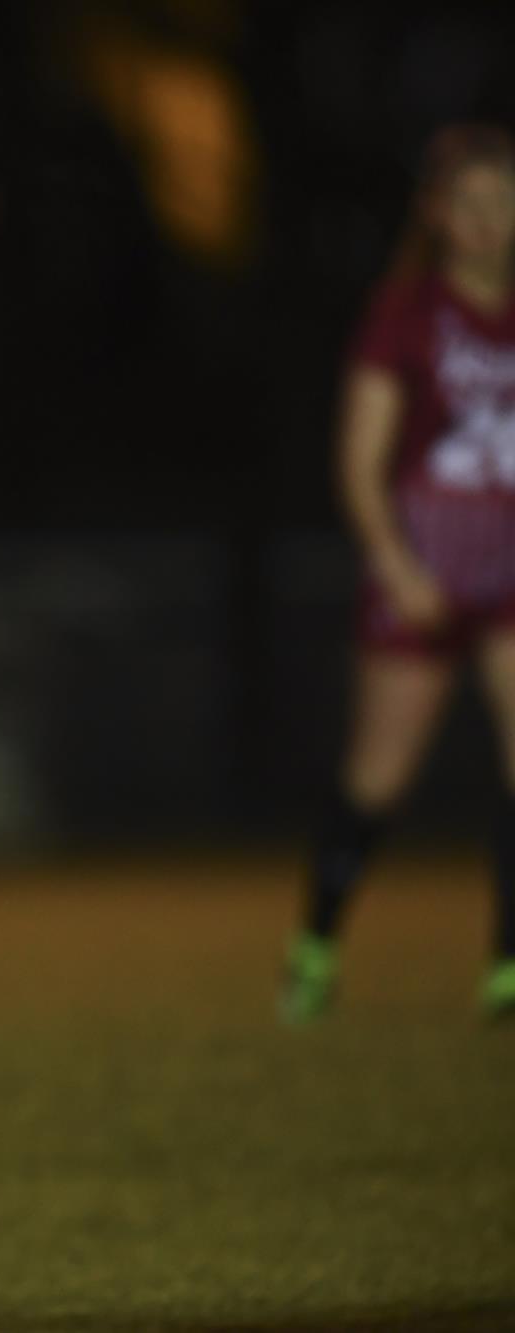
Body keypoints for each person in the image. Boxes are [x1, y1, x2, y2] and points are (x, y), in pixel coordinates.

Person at [282, 124, 515, 1024]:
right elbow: (359, 463)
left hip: (508, 587)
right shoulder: (407, 317)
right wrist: (400, 572)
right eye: (473, 204)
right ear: (440, 216)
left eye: (505, 202)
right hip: (420, 576)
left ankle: (506, 965)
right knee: (376, 784)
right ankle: (316, 944)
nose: (492, 221)